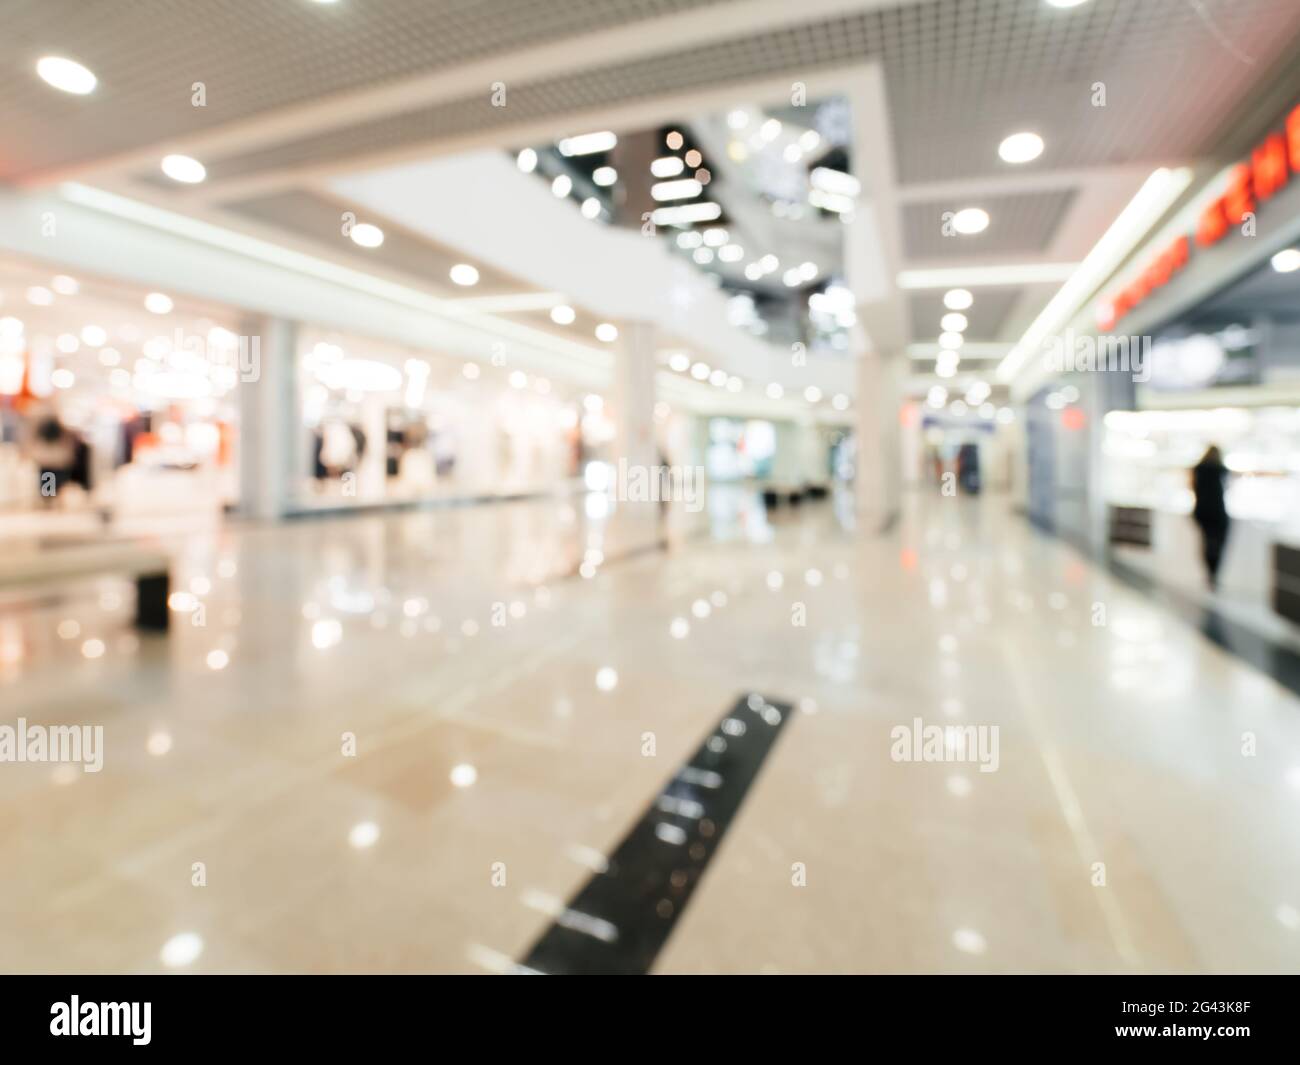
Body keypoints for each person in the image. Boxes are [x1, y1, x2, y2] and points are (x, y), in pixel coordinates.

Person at [1191, 445, 1230, 590]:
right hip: (1217, 512)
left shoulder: (1198, 469)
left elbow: (1193, 488)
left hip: (1202, 512)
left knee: (1207, 543)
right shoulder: (1221, 470)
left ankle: (1210, 573)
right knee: (1217, 544)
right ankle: (1213, 574)